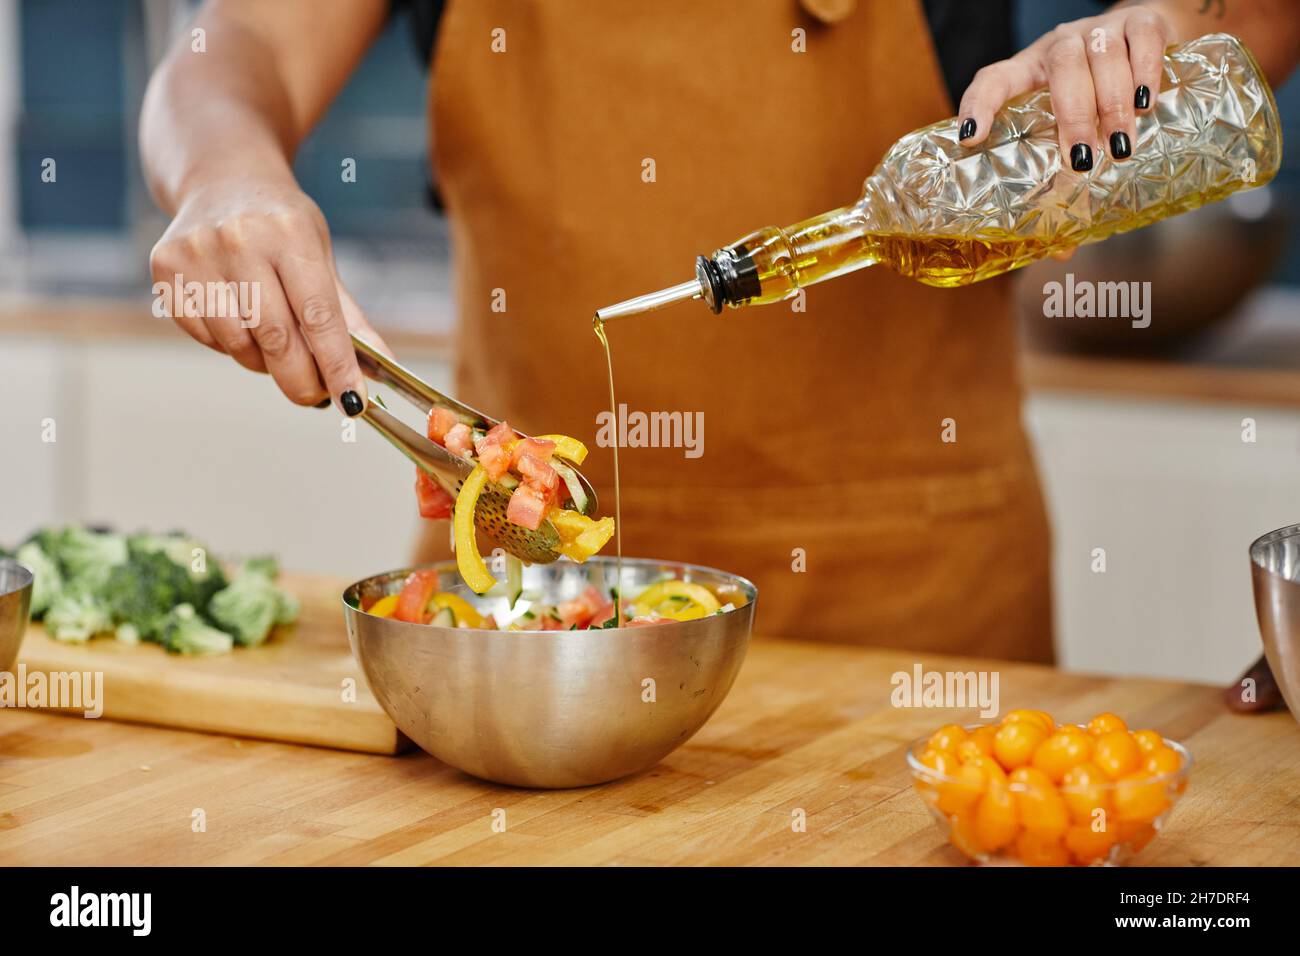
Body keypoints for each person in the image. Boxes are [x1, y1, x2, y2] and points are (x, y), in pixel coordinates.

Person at [140, 0, 1300, 664]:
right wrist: (227, 175)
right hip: (527, 634)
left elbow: (1251, 21)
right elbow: (226, 49)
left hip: (915, 628)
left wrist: (1146, 42)